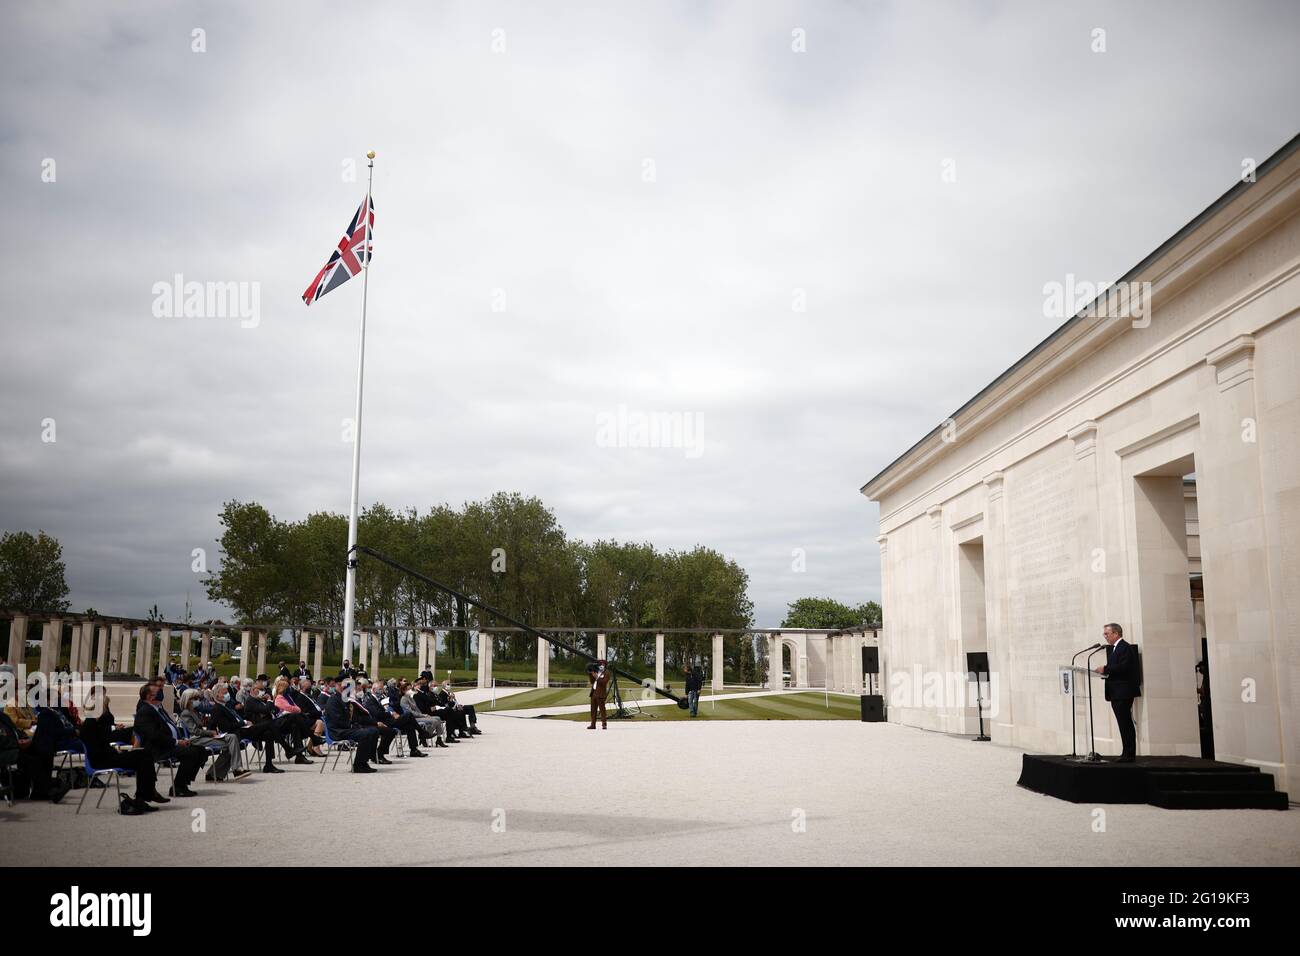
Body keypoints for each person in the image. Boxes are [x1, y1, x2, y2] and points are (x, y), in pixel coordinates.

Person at [78, 688, 165, 812]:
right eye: (105, 706)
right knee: (143, 757)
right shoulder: (91, 724)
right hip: (100, 761)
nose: (106, 710)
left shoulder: (95, 723)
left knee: (144, 754)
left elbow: (104, 742)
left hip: (106, 756)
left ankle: (145, 796)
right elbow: (100, 746)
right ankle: (145, 795)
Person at [133, 680, 209, 798]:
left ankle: (183, 783)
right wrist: (177, 742)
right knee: (190, 753)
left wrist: (181, 739)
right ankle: (178, 787)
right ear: (149, 696)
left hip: (170, 743)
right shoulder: (145, 710)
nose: (161, 692)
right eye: (159, 690)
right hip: (159, 747)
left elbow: (168, 726)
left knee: (200, 750)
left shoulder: (157, 707)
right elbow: (154, 735)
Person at [1094, 622, 1141, 762]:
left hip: (1123, 692)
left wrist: (1106, 669)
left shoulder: (1124, 647)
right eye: (1104, 634)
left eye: (1107, 634)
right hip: (1117, 692)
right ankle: (1126, 753)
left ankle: (1129, 754)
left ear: (1116, 633)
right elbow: (1118, 667)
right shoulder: (1116, 648)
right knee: (1123, 724)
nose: (1105, 637)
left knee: (1125, 724)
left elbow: (1125, 667)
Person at [321, 683, 380, 772]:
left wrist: (357, 725)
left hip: (346, 728)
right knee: (365, 734)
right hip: (337, 731)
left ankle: (364, 761)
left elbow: (352, 717)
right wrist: (352, 726)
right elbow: (337, 720)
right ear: (339, 687)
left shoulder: (343, 699)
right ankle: (358, 765)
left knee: (374, 731)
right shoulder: (333, 700)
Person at [587, 659, 612, 730]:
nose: (601, 665)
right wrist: (591, 674)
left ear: (605, 665)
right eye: (600, 664)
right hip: (594, 693)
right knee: (593, 710)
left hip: (601, 693)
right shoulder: (596, 671)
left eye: (602, 664)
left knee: (602, 710)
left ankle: (604, 724)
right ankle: (593, 724)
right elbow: (592, 682)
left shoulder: (607, 673)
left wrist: (597, 677)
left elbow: (604, 683)